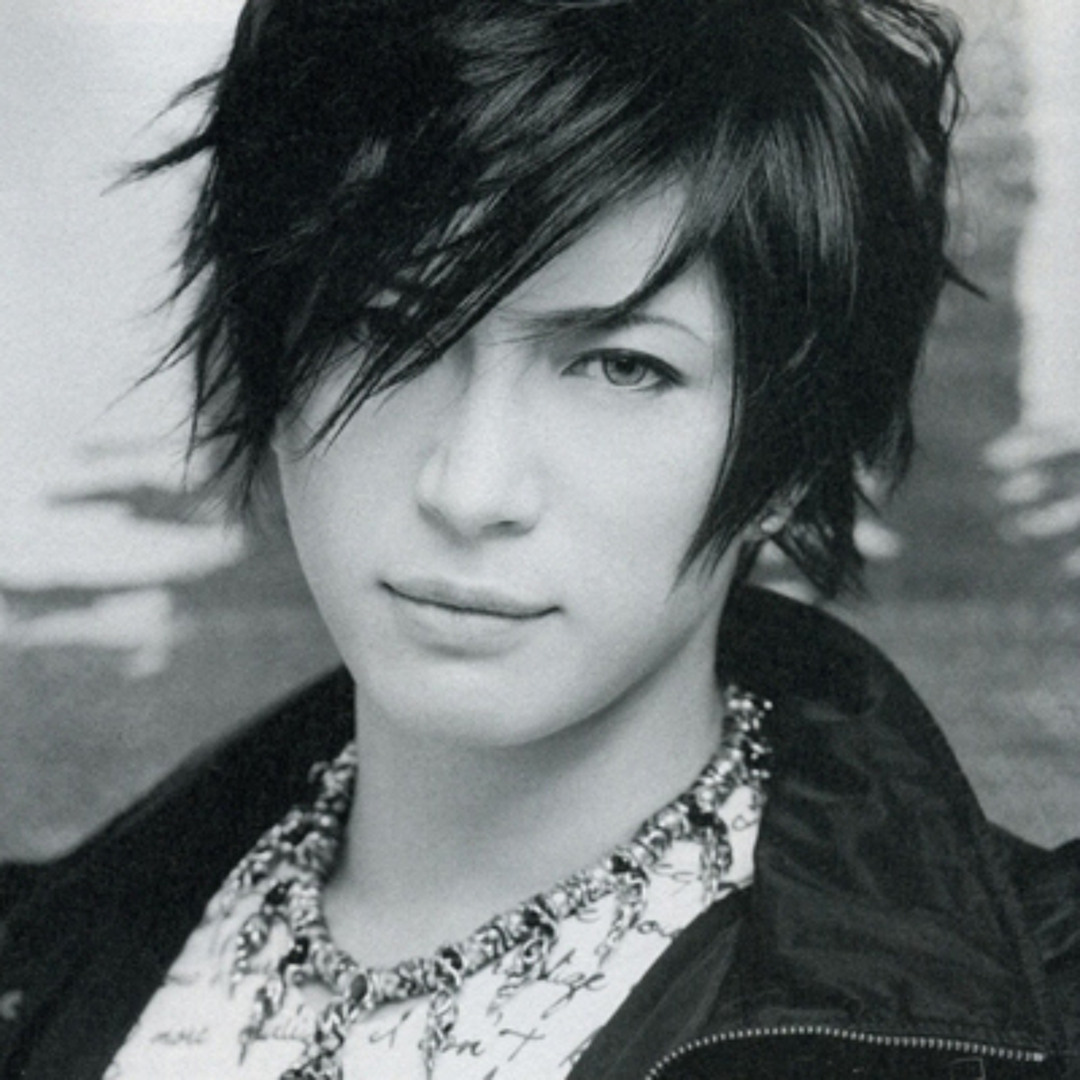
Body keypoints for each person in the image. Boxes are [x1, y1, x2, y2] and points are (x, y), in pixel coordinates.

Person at [1, 0, 1077, 1077]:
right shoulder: (50, 953)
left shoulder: (1033, 1017)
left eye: (622, 366)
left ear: (794, 457)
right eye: (383, 332)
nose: (470, 490)